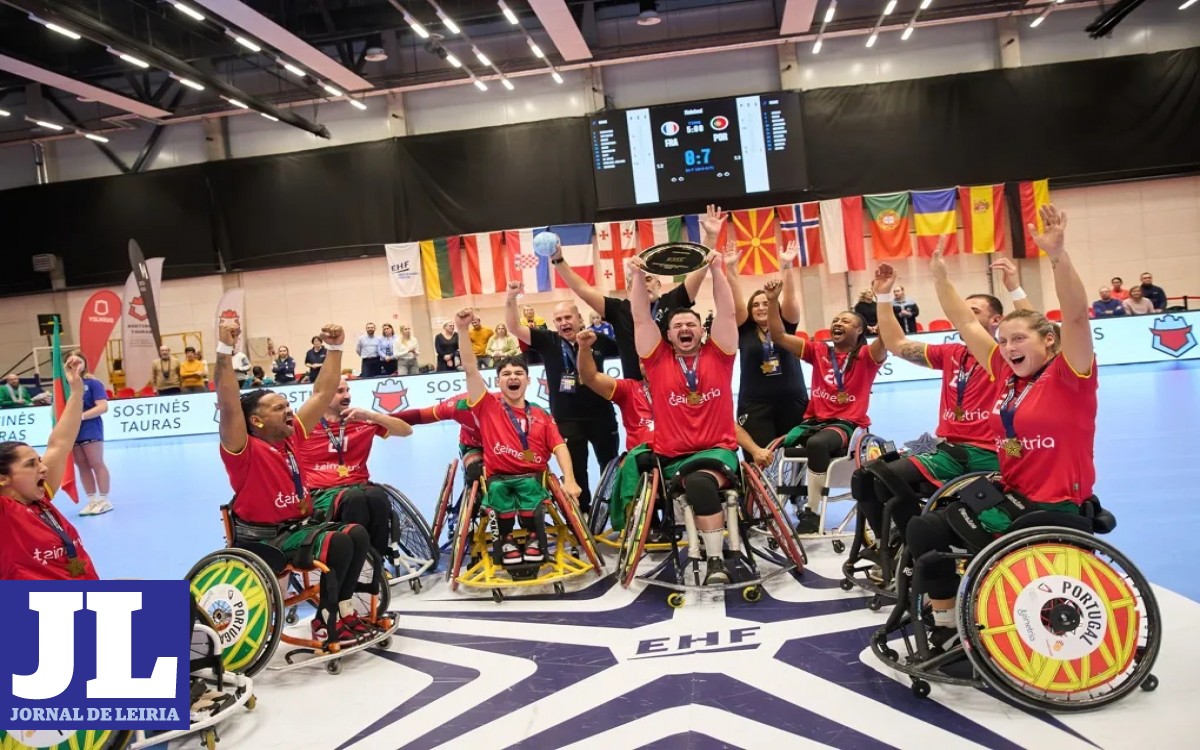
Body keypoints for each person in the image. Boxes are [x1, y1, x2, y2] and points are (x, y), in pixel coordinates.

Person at [907, 204, 1097, 651]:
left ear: (1048, 342)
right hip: (1012, 496)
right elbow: (965, 322)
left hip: (1055, 505)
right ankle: (949, 625)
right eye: (1005, 339)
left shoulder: (1071, 374)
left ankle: (970, 621)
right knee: (924, 530)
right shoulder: (1005, 374)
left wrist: (1057, 256)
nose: (1008, 347)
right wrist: (939, 279)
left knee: (934, 534)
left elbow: (1074, 316)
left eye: (1020, 339)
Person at [854, 252, 1032, 557]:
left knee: (882, 478)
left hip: (983, 454)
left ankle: (914, 547)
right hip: (946, 447)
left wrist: (1015, 289)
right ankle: (902, 544)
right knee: (866, 479)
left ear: (996, 321)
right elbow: (897, 345)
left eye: (972, 310)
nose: (964, 314)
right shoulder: (951, 353)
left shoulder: (1006, 360)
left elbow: (1035, 329)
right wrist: (883, 298)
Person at [215, 319, 381, 646]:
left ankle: (342, 610)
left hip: (298, 528)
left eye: (288, 406)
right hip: (265, 540)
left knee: (356, 534)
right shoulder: (243, 449)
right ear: (257, 420)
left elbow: (322, 392)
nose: (289, 411)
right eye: (279, 408)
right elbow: (228, 404)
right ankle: (326, 621)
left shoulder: (292, 439)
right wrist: (224, 350)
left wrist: (334, 348)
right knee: (339, 543)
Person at [630, 243, 740, 585]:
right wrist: (636, 274)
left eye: (690, 323)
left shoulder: (719, 353)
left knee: (700, 483)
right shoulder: (657, 358)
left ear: (700, 330)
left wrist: (717, 269)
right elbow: (639, 317)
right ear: (668, 335)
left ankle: (715, 561)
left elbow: (727, 314)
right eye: (677, 325)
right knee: (692, 480)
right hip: (673, 457)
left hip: (718, 452)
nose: (684, 329)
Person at [455, 307, 582, 565]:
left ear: (528, 380)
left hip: (532, 476)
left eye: (518, 374)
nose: (513, 378)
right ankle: (507, 539)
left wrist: (570, 480)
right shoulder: (488, 405)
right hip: (498, 476)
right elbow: (470, 369)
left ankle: (536, 536)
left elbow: (559, 447)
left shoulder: (540, 413)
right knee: (498, 491)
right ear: (498, 381)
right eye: (506, 374)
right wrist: (461, 329)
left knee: (531, 489)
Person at [762, 280, 888, 534]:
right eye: (835, 320)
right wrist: (773, 300)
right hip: (815, 423)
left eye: (846, 321)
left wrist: (883, 298)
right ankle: (774, 505)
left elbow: (888, 337)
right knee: (779, 445)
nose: (837, 324)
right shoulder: (818, 351)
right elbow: (778, 336)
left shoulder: (867, 357)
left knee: (817, 444)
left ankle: (813, 510)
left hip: (847, 426)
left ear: (860, 330)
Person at [548, 207, 720, 381]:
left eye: (648, 279)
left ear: (658, 283)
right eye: (637, 280)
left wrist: (711, 238)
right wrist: (558, 260)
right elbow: (583, 290)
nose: (644, 284)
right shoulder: (619, 310)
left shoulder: (672, 301)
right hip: (635, 390)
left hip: (672, 385)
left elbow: (697, 271)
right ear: (630, 289)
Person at [506, 282, 620, 515]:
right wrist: (510, 297)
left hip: (602, 417)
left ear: (579, 318)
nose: (564, 323)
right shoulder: (547, 340)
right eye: (558, 319)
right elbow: (513, 327)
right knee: (576, 471)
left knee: (611, 468)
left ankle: (616, 513)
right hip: (567, 420)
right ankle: (584, 515)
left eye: (568, 317)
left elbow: (629, 349)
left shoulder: (598, 340)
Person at [1, 354, 101, 580]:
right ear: (3, 478)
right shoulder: (5, 511)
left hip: (87, 601)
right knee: (177, 605)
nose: (43, 468)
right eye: (30, 465)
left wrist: (76, 391)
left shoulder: (40, 501)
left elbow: (60, 443)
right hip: (39, 610)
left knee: (181, 603)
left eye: (39, 461)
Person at [294, 378, 412, 560]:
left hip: (359, 485)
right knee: (354, 499)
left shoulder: (361, 420)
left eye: (347, 390)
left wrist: (371, 416)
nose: (347, 395)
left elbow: (406, 431)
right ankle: (358, 559)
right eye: (339, 391)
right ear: (322, 397)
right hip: (322, 492)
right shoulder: (304, 427)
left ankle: (376, 559)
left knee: (377, 496)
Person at [728, 239, 809, 468]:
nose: (762, 308)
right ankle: (762, 500)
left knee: (797, 458)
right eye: (756, 305)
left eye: (766, 303)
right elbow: (736, 302)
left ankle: (799, 499)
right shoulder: (744, 331)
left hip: (793, 401)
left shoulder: (785, 326)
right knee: (761, 459)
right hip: (755, 405)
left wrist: (786, 266)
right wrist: (731, 269)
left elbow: (790, 299)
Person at [575, 328, 653, 533]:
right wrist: (584, 348)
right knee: (631, 464)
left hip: (675, 453)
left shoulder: (681, 389)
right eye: (643, 361)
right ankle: (634, 522)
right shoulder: (630, 389)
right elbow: (589, 377)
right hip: (642, 458)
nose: (648, 365)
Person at [72, 354, 113, 517]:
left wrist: (81, 416)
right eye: (71, 361)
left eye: (78, 361)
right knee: (81, 465)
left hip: (90, 427)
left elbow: (103, 407)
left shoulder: (93, 383)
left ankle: (104, 500)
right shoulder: (63, 387)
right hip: (71, 430)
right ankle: (92, 500)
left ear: (84, 364)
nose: (75, 364)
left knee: (96, 462)